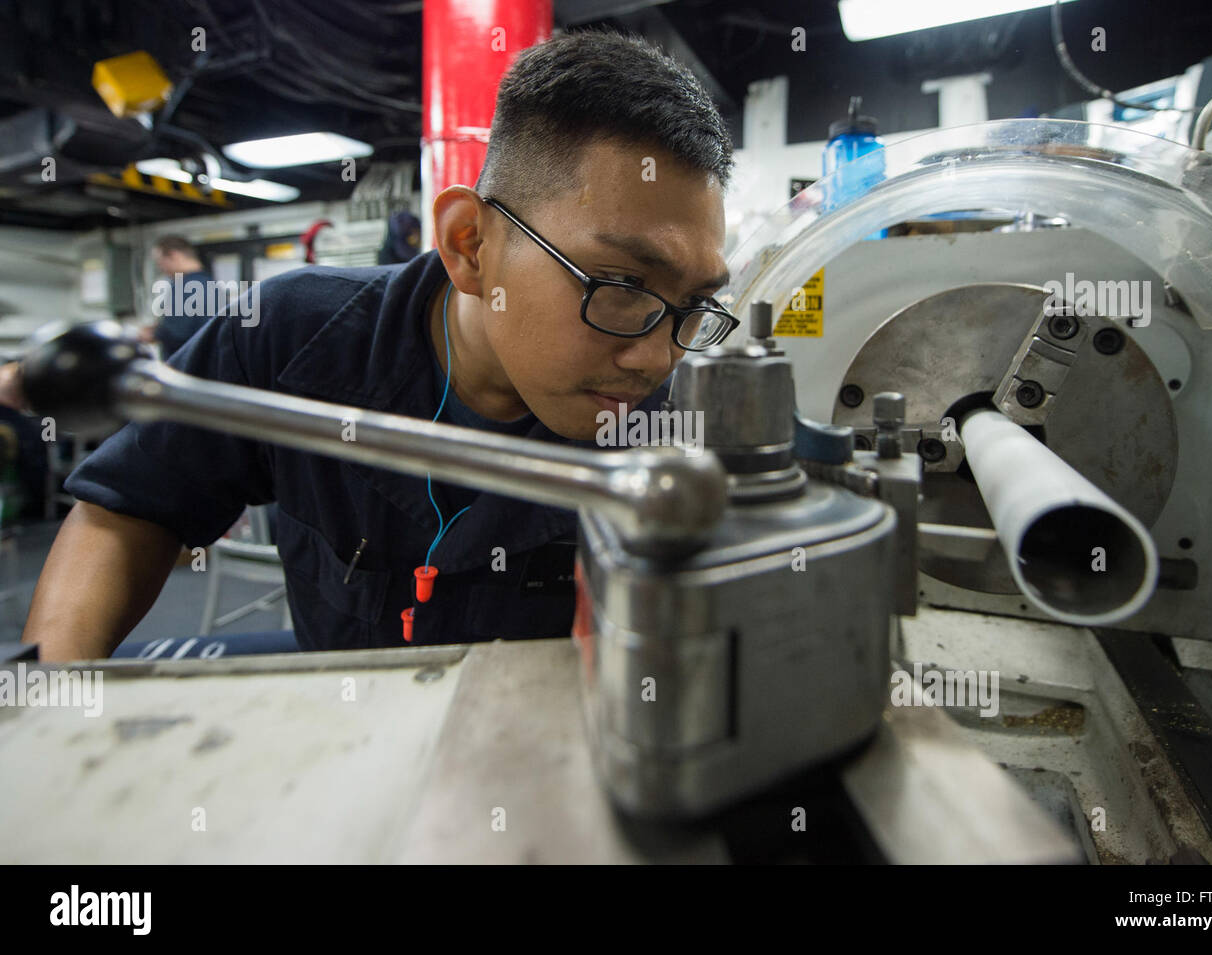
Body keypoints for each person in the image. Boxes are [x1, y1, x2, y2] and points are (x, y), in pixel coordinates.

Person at [21, 30, 736, 661]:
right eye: (618, 283)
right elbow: (129, 508)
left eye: (695, 303)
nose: (655, 358)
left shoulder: (672, 435)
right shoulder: (297, 336)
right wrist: (61, 704)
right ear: (471, 244)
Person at [141, 235, 215, 361]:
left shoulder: (184, 286)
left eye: (160, 261)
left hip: (185, 367)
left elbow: (176, 334)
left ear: (174, 256)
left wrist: (151, 334)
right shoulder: (210, 283)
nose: (161, 268)